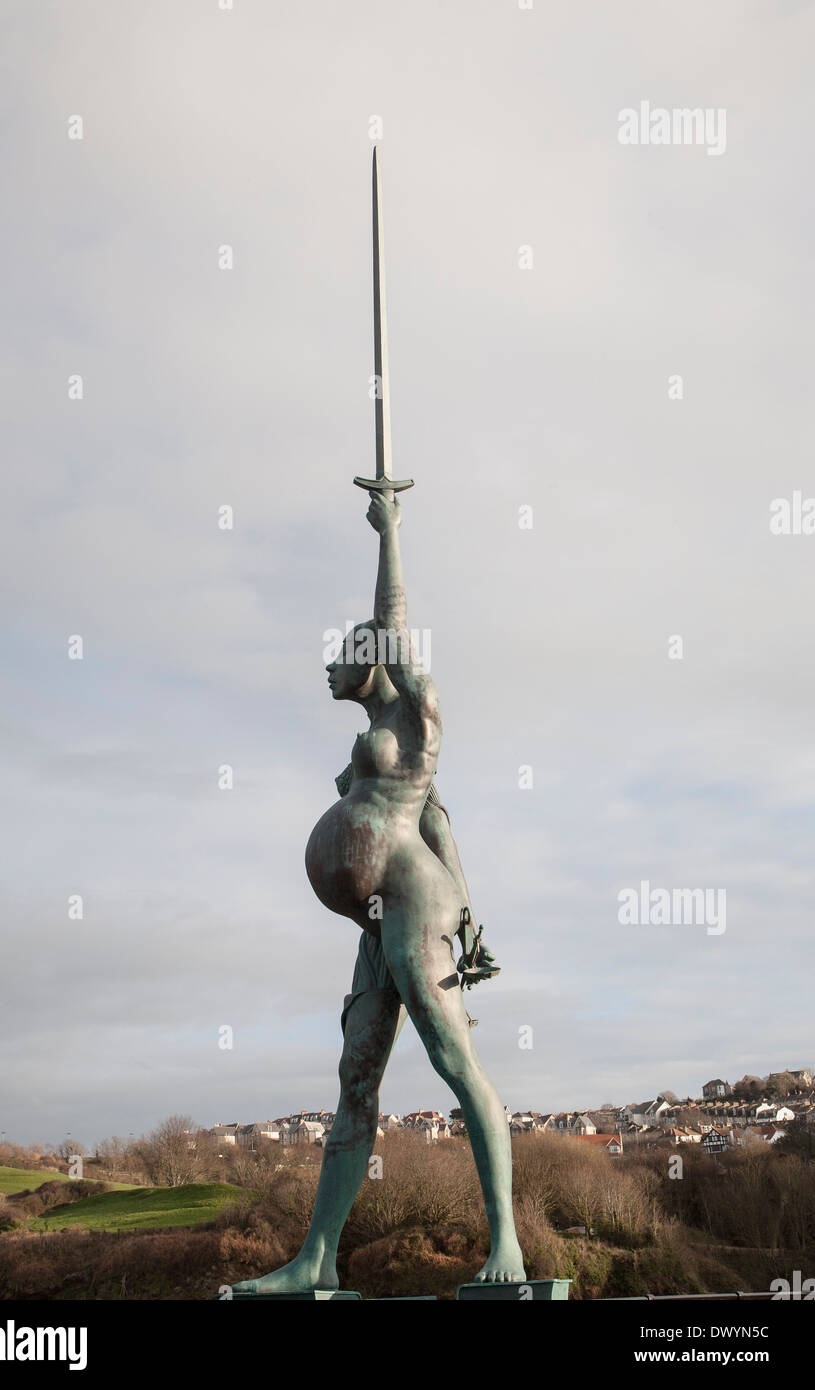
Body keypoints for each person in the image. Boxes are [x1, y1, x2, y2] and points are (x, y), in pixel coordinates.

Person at [233, 490, 524, 1292]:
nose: (327, 666)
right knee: (354, 1080)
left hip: (410, 907)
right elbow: (441, 826)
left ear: (373, 655)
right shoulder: (367, 745)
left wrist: (388, 533)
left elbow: (394, 621)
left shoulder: (415, 718)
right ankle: (314, 1262)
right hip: (373, 921)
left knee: (453, 1064)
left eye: (339, 652)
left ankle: (506, 1244)